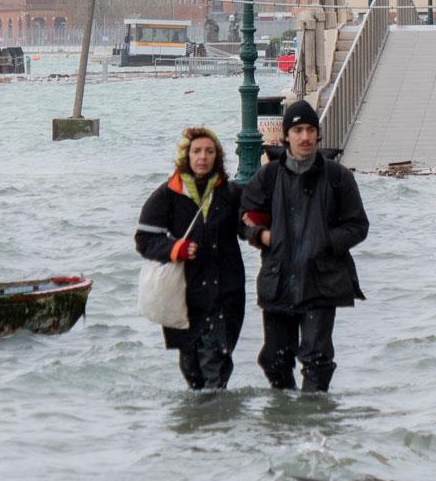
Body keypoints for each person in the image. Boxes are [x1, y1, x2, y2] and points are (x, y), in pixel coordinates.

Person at [240, 99, 369, 392]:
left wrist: (325, 241)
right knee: (274, 360)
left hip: (321, 280)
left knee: (317, 360)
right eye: (298, 130)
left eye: (310, 129)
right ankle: (285, 423)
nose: (305, 137)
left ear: (318, 134)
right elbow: (244, 217)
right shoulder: (268, 176)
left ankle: (314, 423)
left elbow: (358, 225)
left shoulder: (338, 177)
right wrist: (260, 235)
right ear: (286, 135)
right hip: (278, 279)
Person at [135, 127, 247, 390]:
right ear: (186, 156)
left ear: (217, 157)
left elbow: (247, 228)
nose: (203, 157)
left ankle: (214, 422)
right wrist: (176, 249)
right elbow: (144, 240)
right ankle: (200, 425)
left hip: (225, 292)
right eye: (196, 151)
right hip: (183, 296)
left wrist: (261, 228)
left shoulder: (231, 194)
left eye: (209, 151)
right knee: (191, 368)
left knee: (216, 366)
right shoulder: (168, 194)